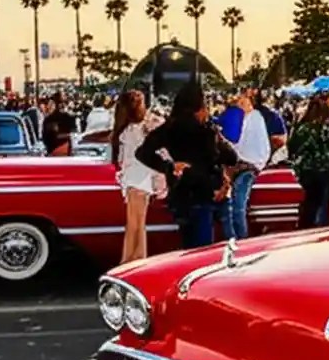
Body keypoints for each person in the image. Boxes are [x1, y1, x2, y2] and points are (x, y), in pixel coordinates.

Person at [136, 83, 238, 250]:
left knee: (190, 248)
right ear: (199, 107)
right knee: (209, 251)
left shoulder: (169, 128)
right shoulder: (206, 131)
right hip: (207, 193)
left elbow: (142, 152)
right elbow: (230, 157)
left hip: (182, 193)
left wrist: (169, 167)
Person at [111, 91, 159, 263]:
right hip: (142, 176)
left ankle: (131, 260)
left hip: (134, 177)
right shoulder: (145, 127)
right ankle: (133, 261)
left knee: (134, 224)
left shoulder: (127, 129)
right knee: (137, 225)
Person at [288, 92, 329, 228]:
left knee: (309, 205)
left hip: (305, 172)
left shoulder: (302, 127)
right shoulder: (323, 129)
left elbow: (292, 147)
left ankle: (306, 227)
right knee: (322, 205)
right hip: (322, 171)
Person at [227, 89, 271, 239]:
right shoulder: (241, 119)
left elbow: (254, 146)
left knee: (238, 208)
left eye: (243, 101)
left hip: (248, 168)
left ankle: (241, 239)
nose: (240, 104)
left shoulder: (255, 118)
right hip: (238, 167)